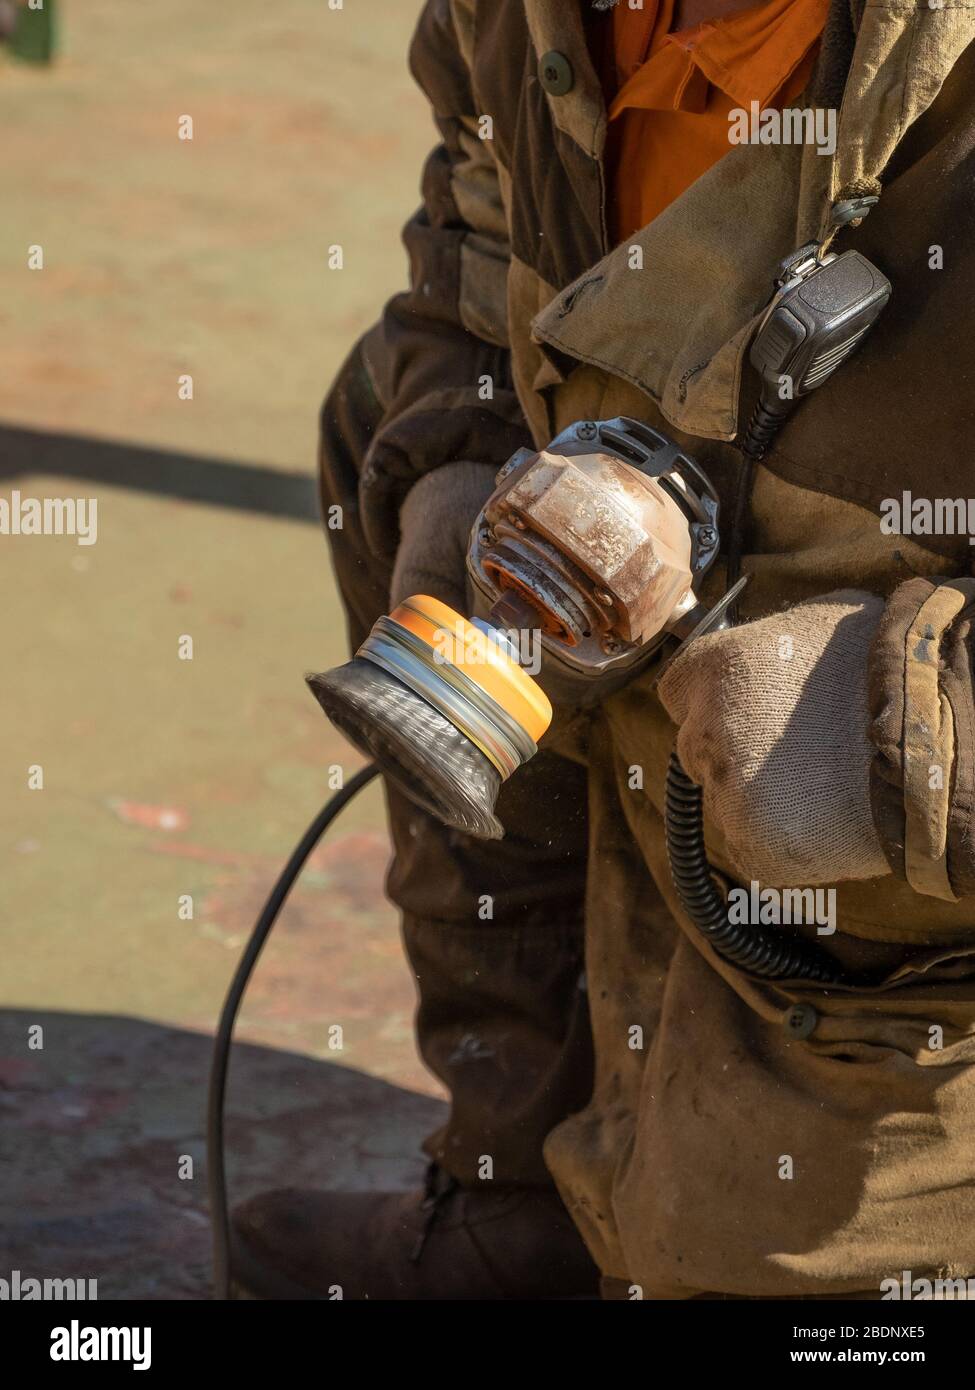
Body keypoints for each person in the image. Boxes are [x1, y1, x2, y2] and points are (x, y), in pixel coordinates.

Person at [232, 0, 975, 1299]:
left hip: (894, 935)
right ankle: (527, 1203)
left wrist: (905, 734)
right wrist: (463, 462)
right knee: (388, 421)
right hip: (685, 699)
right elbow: (479, 237)